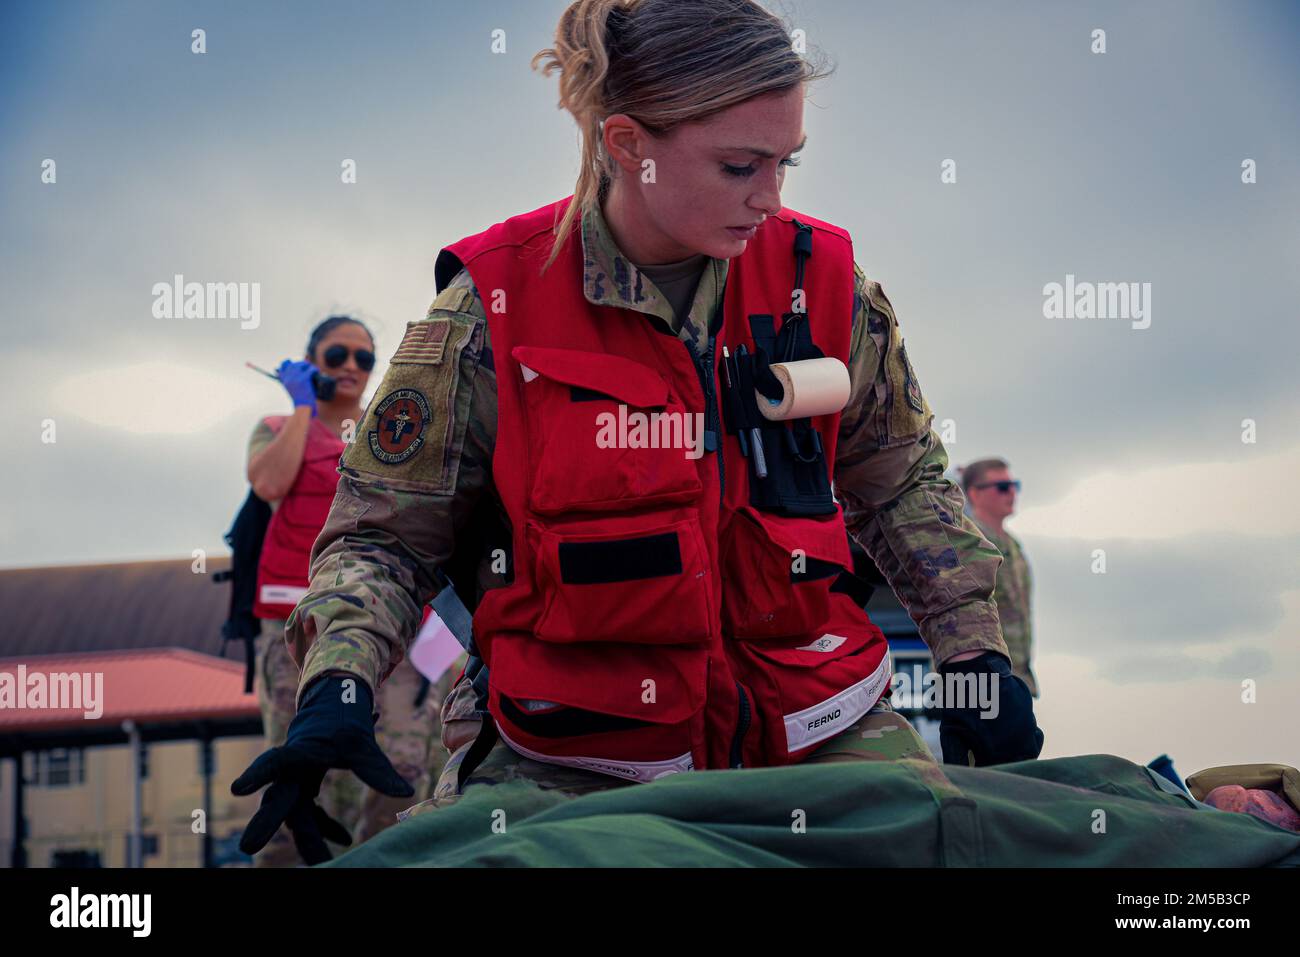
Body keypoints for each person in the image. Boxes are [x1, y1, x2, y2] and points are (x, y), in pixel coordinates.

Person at [234, 0, 1043, 859]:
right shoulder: (493, 308)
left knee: (974, 848)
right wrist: (340, 680)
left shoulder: (827, 285)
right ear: (626, 144)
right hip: (572, 753)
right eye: (740, 166)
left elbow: (904, 481)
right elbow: (386, 536)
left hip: (816, 724)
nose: (771, 198)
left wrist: (975, 658)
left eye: (786, 162)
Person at [243, 315, 452, 865]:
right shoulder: (276, 425)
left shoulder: (388, 428)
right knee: (297, 770)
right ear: (312, 362)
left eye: (364, 357)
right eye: (337, 355)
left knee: (404, 767)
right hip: (300, 628)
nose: (352, 367)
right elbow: (269, 483)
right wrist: (304, 409)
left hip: (394, 620)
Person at [961, 457, 1039, 697]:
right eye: (1003, 487)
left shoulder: (1013, 545)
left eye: (1015, 485)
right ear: (975, 493)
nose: (1012, 493)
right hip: (979, 682)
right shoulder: (965, 539)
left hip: (1015, 676)